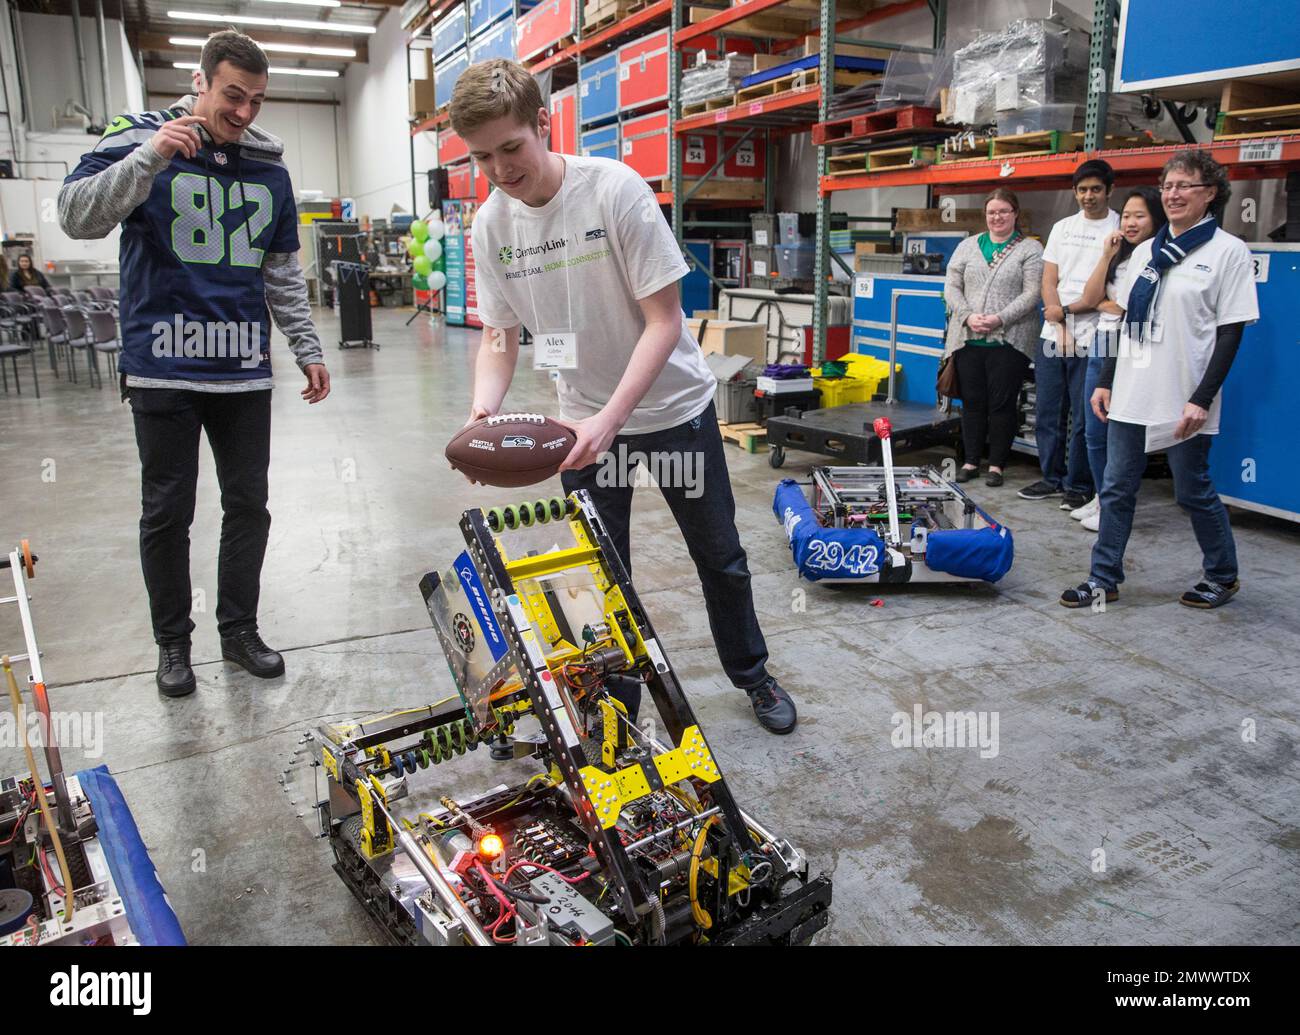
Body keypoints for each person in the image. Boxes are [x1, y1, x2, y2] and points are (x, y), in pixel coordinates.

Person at [449, 58, 797, 734]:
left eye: (511, 148)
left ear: (542, 124)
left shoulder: (613, 191)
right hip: (580, 422)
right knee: (598, 575)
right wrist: (482, 410)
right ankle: (616, 704)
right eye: (483, 157)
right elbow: (499, 334)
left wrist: (615, 416)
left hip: (671, 412)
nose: (499, 170)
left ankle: (752, 673)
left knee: (719, 556)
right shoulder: (490, 226)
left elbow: (666, 321)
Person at [59, 30, 330, 697]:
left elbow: (282, 272)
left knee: (249, 505)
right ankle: (172, 646)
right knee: (167, 512)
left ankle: (238, 631)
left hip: (241, 370)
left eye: (257, 101)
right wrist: (149, 158)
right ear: (201, 82)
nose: (243, 112)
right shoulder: (139, 136)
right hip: (162, 367)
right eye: (232, 95)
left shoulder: (269, 168)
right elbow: (75, 216)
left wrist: (307, 346)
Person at [1060, 150, 1257, 611]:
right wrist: (1107, 379)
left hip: (1185, 394)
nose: (1172, 194)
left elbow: (1230, 333)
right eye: (1167, 185)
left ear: (1210, 194)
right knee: (1116, 486)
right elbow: (1128, 318)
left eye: (1184, 185)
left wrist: (1201, 398)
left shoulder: (1228, 252)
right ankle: (1103, 577)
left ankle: (1222, 575)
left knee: (1191, 489)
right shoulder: (1149, 250)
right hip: (1133, 388)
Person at [1019, 159, 1119, 511]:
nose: (1088, 196)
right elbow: (1049, 281)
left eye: (1095, 189)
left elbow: (1110, 294)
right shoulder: (1062, 228)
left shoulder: (1119, 228)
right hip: (1054, 332)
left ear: (1109, 190)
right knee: (1048, 410)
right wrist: (1059, 325)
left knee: (1083, 414)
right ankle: (1052, 477)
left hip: (1095, 336)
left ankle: (1078, 485)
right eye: (1082, 190)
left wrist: (1070, 317)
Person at [1068, 186, 1167, 531]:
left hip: (1129, 348)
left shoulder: (1160, 257)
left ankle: (1116, 503)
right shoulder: (1120, 254)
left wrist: (1109, 306)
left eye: (1140, 215)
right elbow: (1091, 297)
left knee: (1118, 433)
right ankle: (1100, 495)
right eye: (1126, 215)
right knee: (1092, 430)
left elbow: (1130, 310)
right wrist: (1107, 256)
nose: (1130, 222)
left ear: (1156, 218)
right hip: (1102, 342)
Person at [942, 188, 1043, 487]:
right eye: (991, 212)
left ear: (1015, 214)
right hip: (968, 339)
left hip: (1008, 341)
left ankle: (997, 465)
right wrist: (967, 316)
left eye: (1003, 211)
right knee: (972, 402)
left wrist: (1001, 318)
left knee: (1002, 404)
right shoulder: (967, 247)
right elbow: (952, 286)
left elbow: (1032, 292)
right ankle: (971, 461)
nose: (997, 217)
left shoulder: (1029, 249)